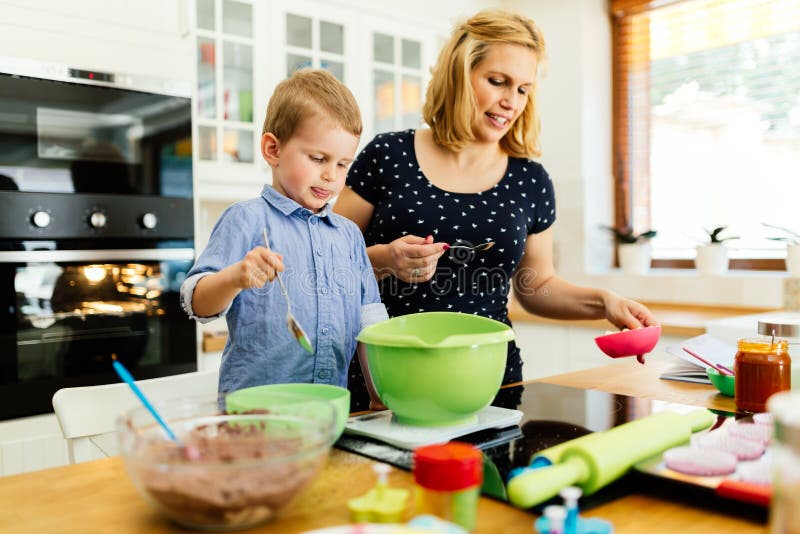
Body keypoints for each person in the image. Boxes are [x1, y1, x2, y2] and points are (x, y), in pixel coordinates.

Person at [334, 9, 657, 409]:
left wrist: (603, 301)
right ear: (458, 75)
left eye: (523, 89)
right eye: (497, 81)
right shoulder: (388, 155)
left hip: (489, 384)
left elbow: (536, 286)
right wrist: (383, 261)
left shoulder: (530, 179)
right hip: (383, 383)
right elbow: (324, 261)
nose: (511, 101)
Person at [180, 69, 388, 397]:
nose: (331, 175)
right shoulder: (245, 219)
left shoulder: (349, 236)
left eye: (342, 164)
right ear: (273, 150)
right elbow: (196, 301)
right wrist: (235, 277)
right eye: (319, 158)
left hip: (328, 416)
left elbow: (371, 324)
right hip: (253, 421)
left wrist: (381, 399)